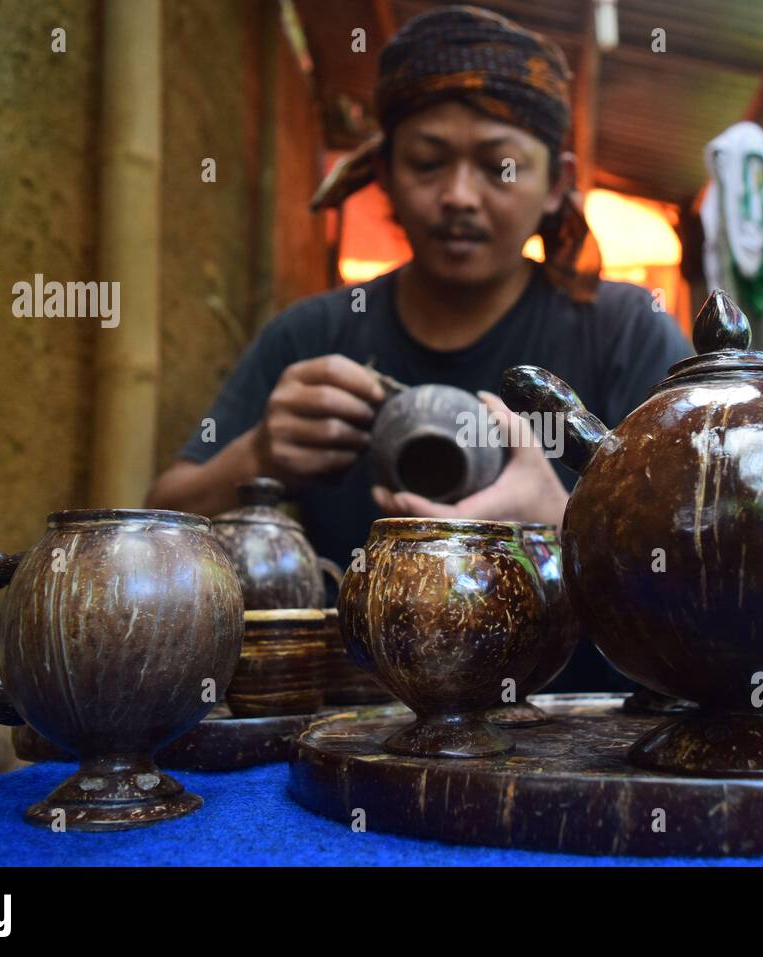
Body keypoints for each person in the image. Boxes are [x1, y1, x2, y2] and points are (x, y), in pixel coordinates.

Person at [147, 5, 691, 690]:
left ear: (556, 183)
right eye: (428, 162)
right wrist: (256, 456)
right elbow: (158, 523)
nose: (459, 196)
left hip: (582, 739)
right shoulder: (313, 335)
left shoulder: (626, 333)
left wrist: (563, 522)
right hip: (352, 732)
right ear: (384, 173)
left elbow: (707, 571)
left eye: (500, 167)